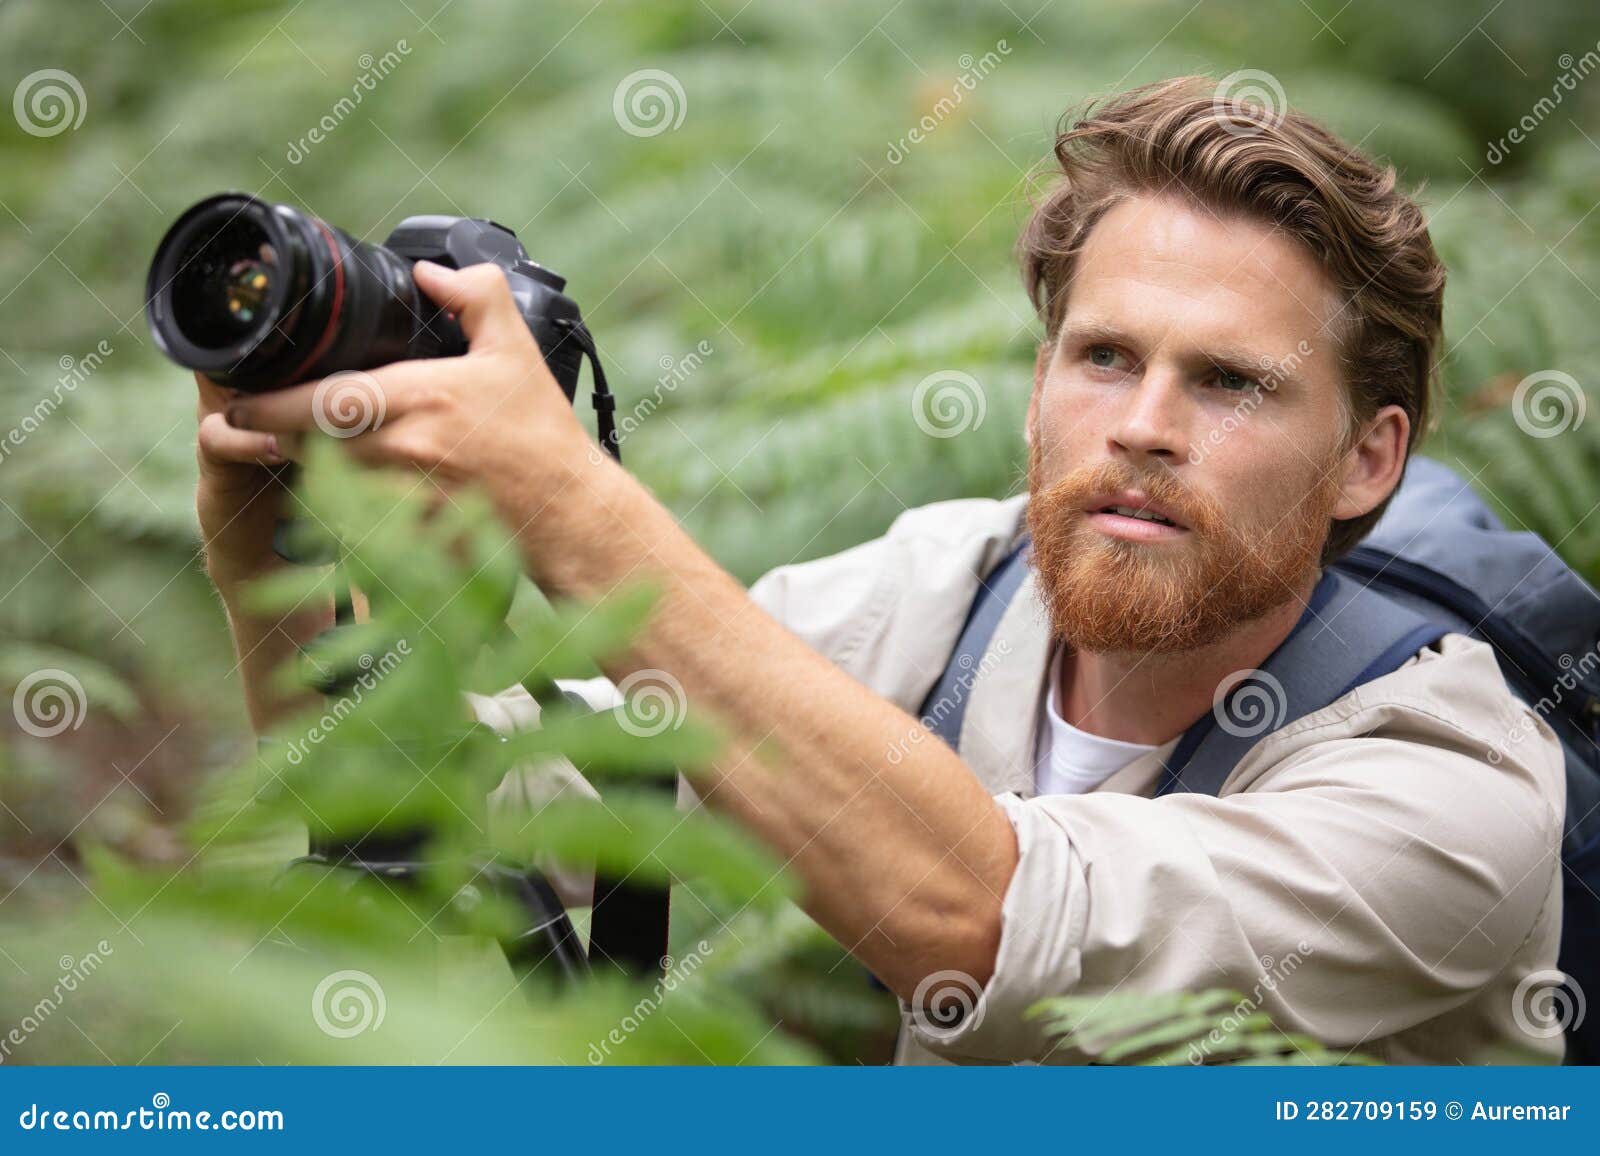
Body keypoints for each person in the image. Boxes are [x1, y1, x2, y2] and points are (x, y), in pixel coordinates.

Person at [193, 76, 1567, 1065]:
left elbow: (991, 922)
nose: (1144, 422)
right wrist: (271, 535)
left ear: (1367, 460)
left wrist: (570, 503)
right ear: (1039, 388)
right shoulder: (950, 591)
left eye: (1231, 383)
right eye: (1103, 356)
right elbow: (466, 815)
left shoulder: (1455, 786)